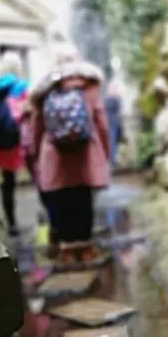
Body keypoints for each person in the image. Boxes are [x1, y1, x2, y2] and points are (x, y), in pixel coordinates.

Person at [30, 44, 110, 264]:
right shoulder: (89, 85)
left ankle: (66, 251)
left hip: (53, 152)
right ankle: (85, 249)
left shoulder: (43, 90)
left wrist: (37, 152)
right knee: (83, 199)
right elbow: (101, 121)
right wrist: (104, 149)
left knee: (62, 201)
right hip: (85, 150)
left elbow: (35, 126)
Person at [0, 52, 29, 236]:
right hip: (19, 139)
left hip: (1, 141)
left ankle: (12, 223)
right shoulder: (21, 86)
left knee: (7, 181)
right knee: (36, 175)